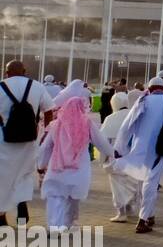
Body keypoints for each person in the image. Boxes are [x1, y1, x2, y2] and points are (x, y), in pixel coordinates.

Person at [109, 76, 163, 234]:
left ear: (150, 89)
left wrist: (119, 147)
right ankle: (143, 220)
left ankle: (149, 214)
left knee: (143, 181)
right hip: (160, 148)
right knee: (151, 183)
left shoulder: (142, 100)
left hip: (140, 148)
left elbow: (127, 125)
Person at [37, 95, 113, 229]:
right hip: (79, 169)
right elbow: (100, 142)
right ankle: (67, 224)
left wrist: (41, 164)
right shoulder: (87, 123)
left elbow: (46, 147)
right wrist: (112, 154)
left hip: (57, 168)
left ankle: (53, 226)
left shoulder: (56, 124)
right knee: (73, 198)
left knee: (55, 197)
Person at [0, 60, 52, 228]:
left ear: (6, 72)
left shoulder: (1, 86)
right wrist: (46, 132)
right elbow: (49, 109)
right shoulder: (37, 86)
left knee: (4, 178)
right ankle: (22, 207)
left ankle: (2, 217)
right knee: (25, 174)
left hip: (4, 140)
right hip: (30, 139)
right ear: (24, 70)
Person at [101, 90, 139, 223]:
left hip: (115, 159)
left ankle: (121, 212)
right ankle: (130, 208)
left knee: (117, 188)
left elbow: (103, 141)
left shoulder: (110, 119)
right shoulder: (134, 116)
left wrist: (103, 160)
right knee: (132, 184)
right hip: (133, 158)